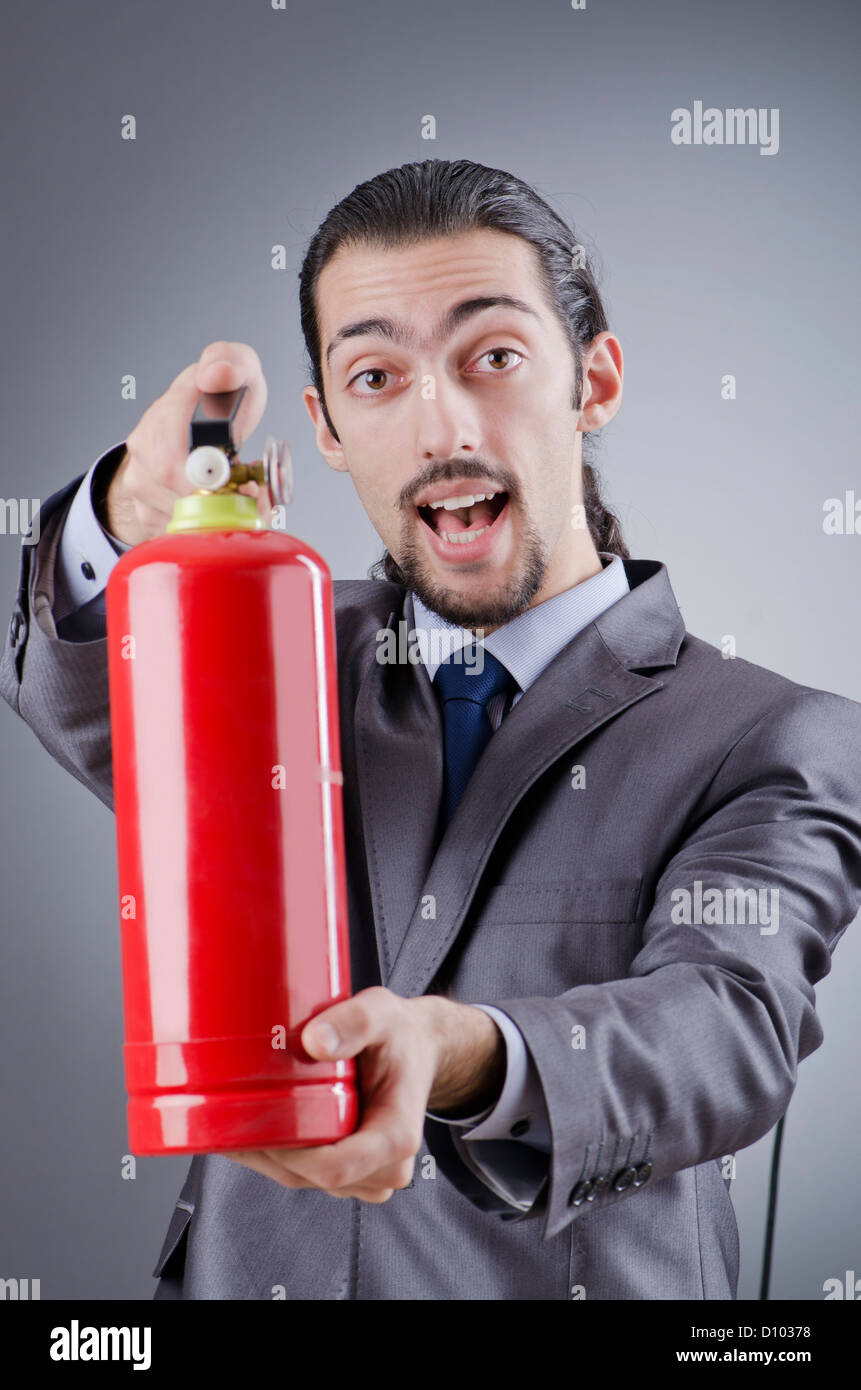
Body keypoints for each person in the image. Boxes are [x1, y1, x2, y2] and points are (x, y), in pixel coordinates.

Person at [3, 158, 861, 1301]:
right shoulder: (264, 646)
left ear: (594, 380)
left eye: (492, 357)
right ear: (326, 430)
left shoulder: (776, 735)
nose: (439, 422)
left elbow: (725, 1027)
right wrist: (125, 519)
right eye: (375, 375)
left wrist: (466, 1055)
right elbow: (82, 692)